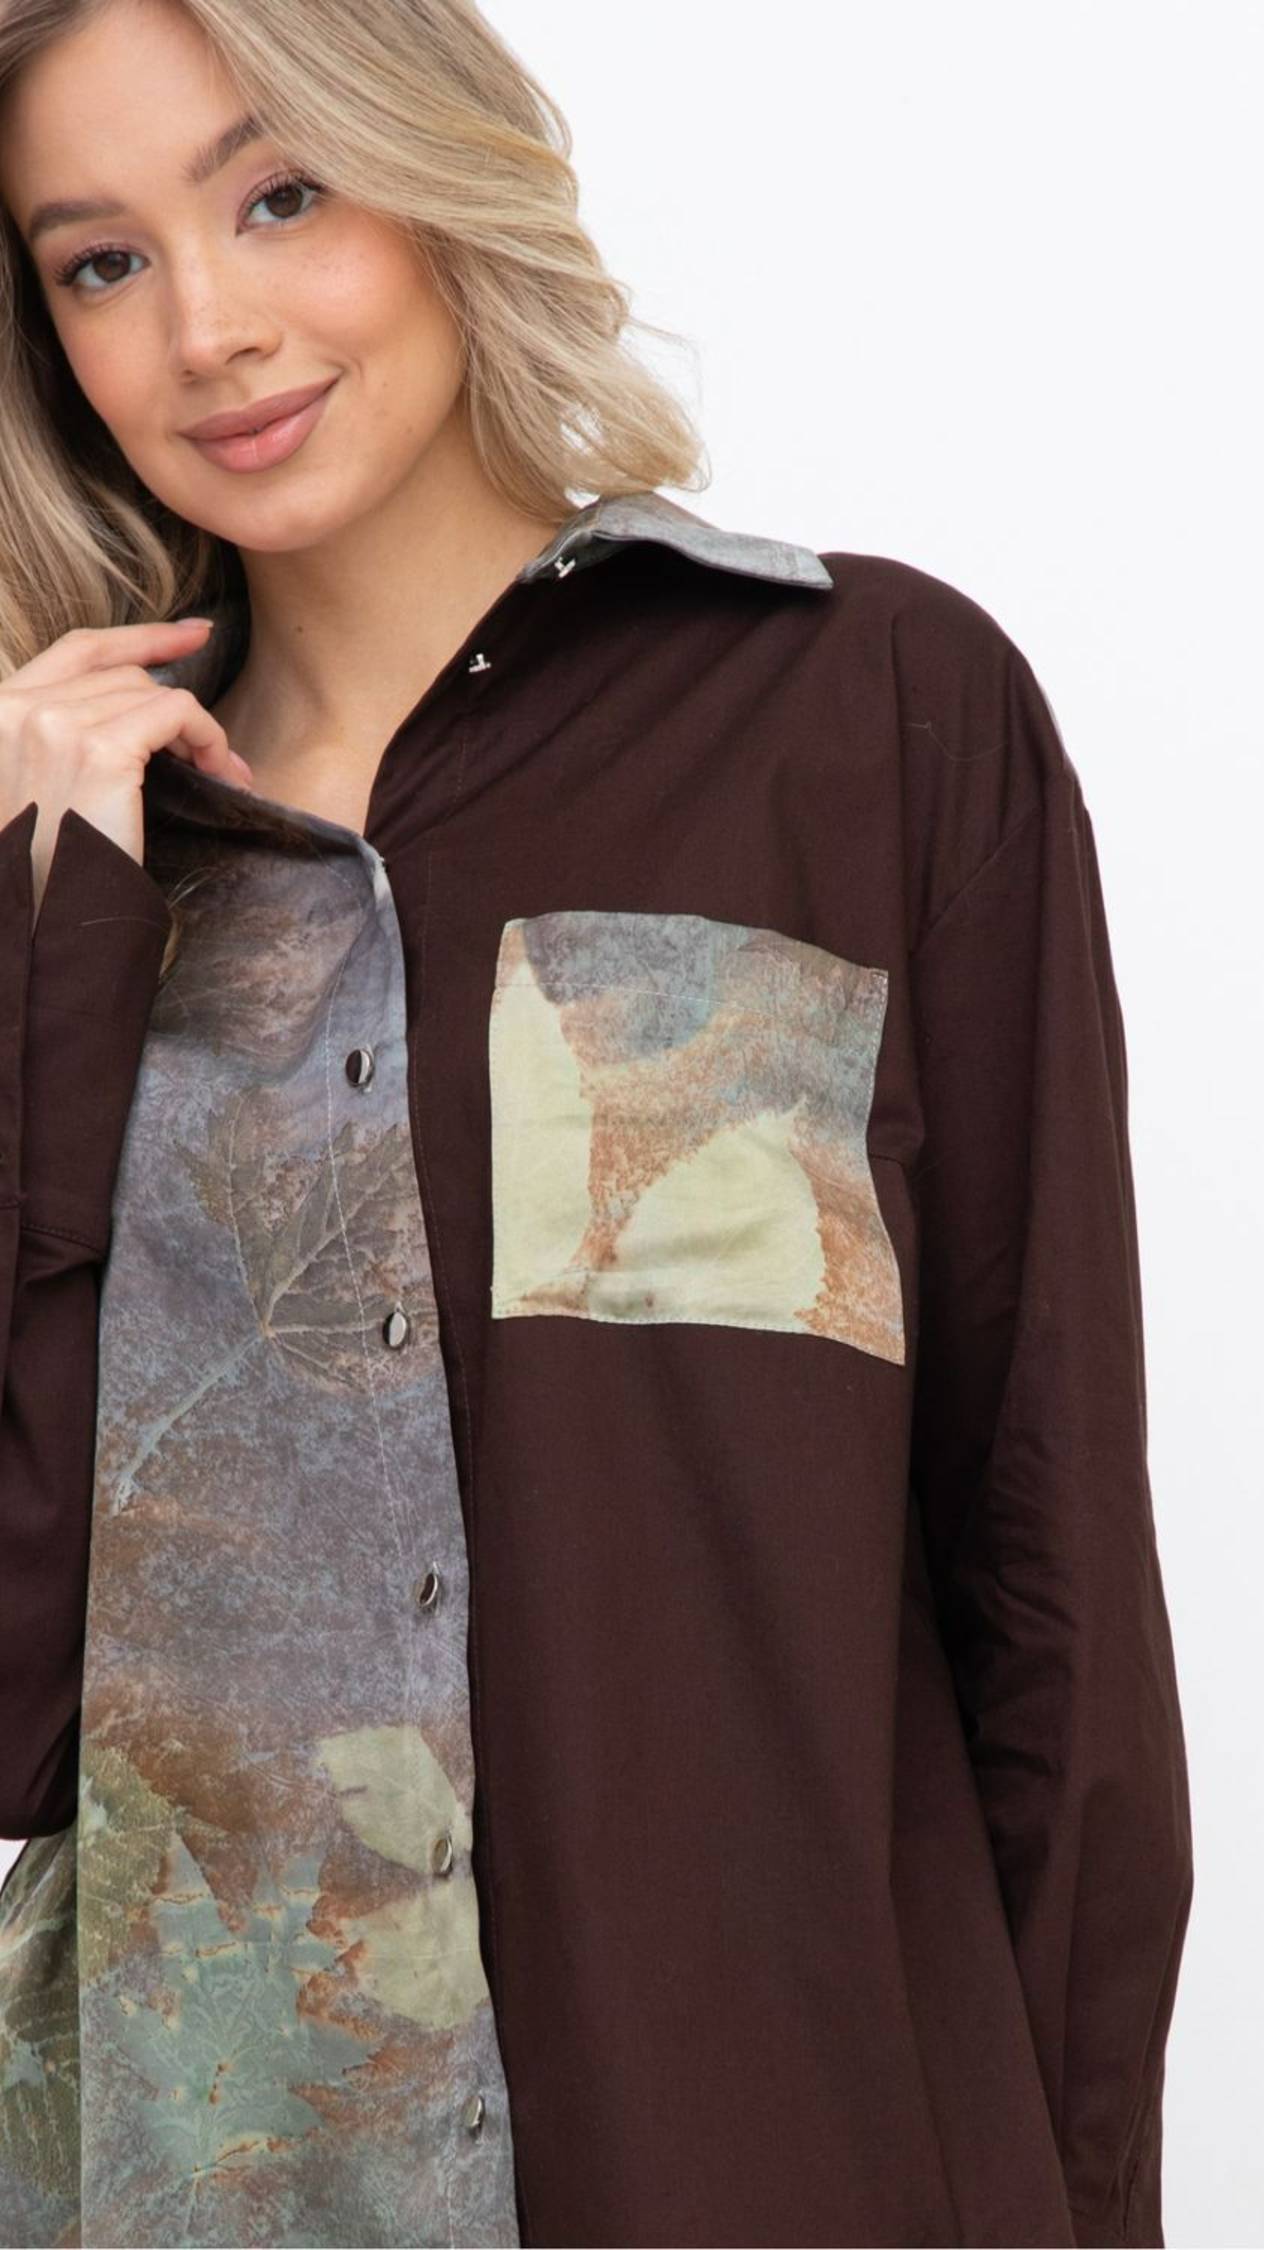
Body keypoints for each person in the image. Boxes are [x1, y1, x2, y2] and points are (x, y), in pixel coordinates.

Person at [0, 0, 1194, 2245]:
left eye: (281, 194)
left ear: (432, 165)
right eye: (102, 261)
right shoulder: (62, 885)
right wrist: (49, 955)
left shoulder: (868, 717)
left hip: (792, 2168)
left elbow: (1044, 1577)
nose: (208, 327)